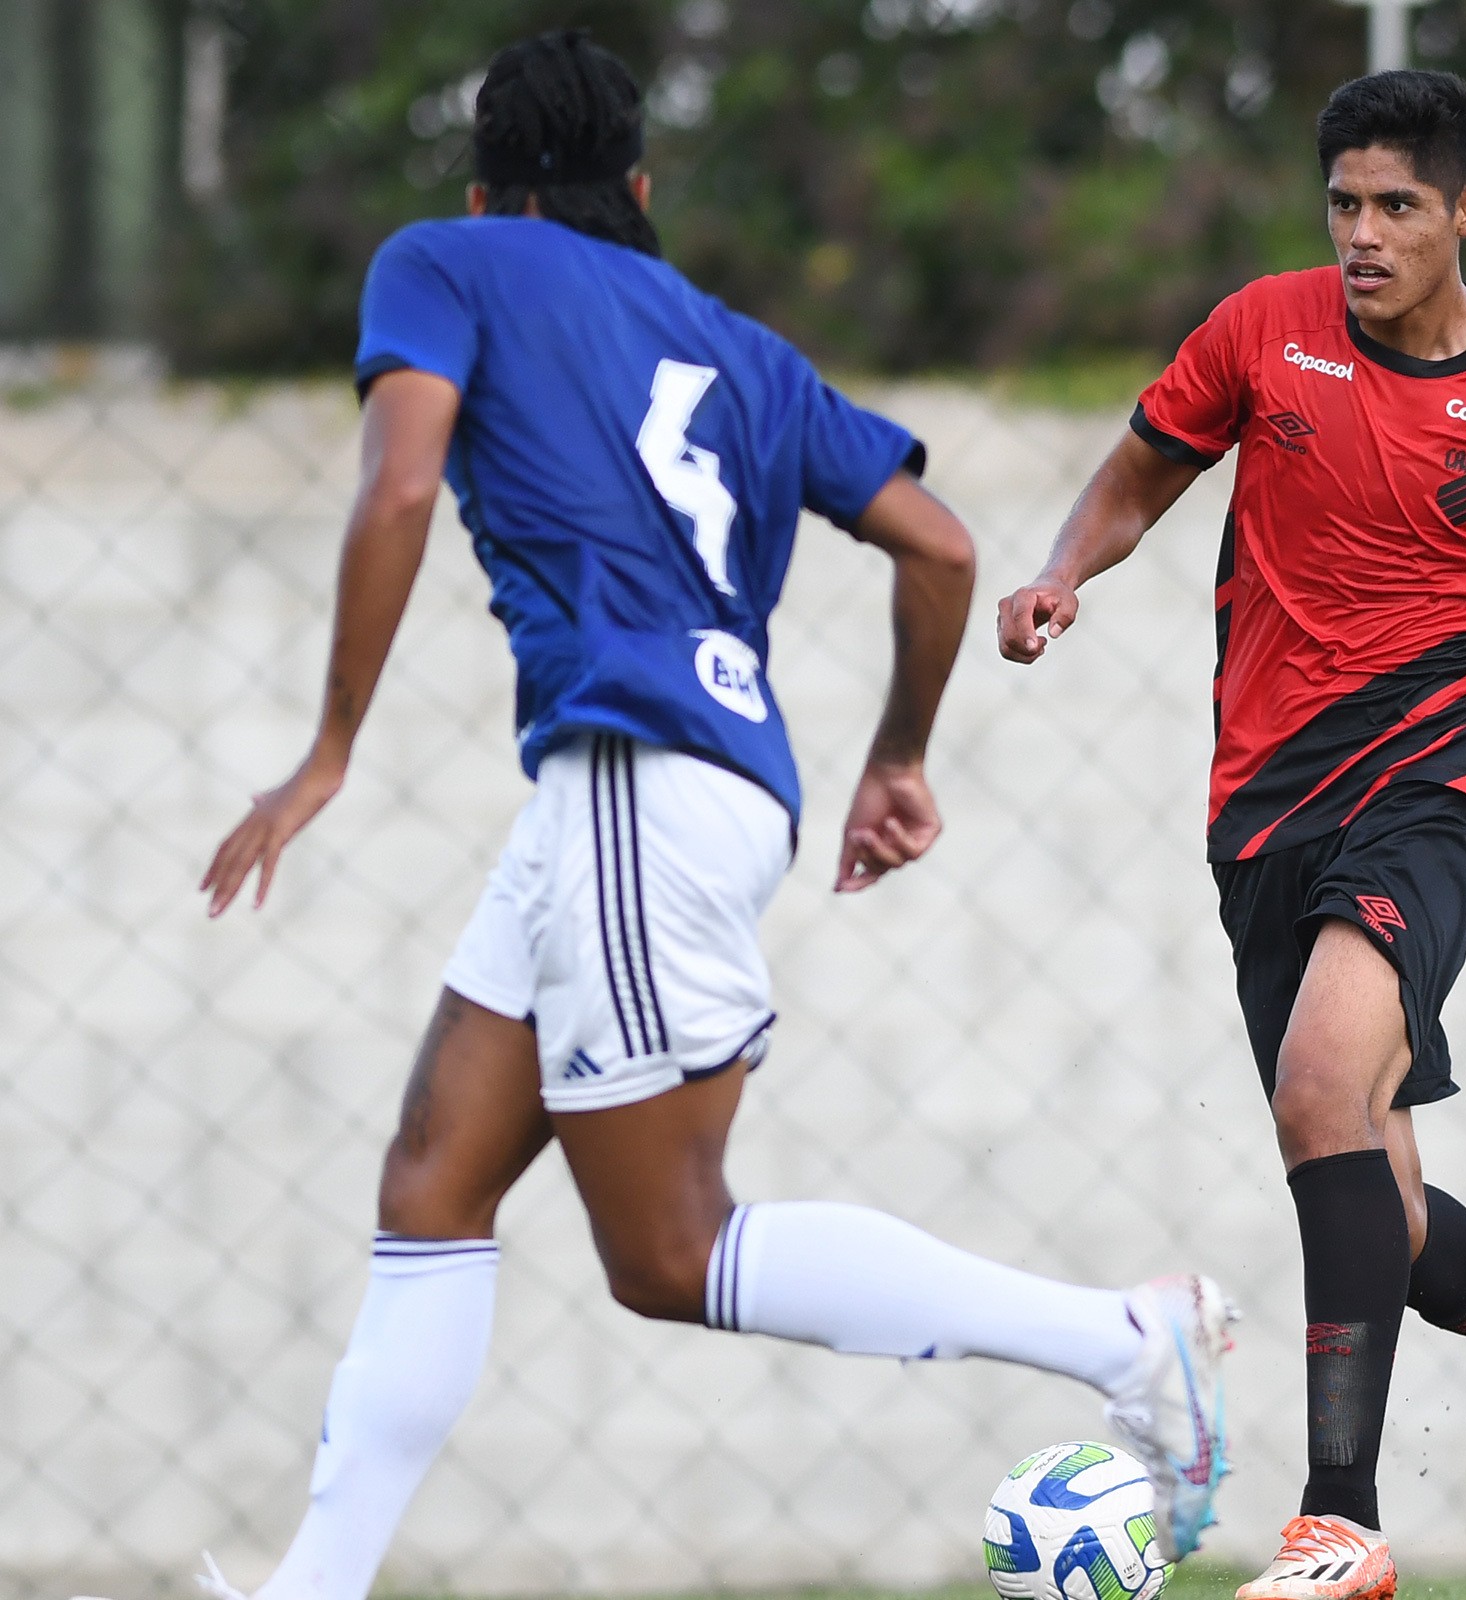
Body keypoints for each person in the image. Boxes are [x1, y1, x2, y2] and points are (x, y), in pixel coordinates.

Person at [193, 32, 1231, 1600]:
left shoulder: (447, 261)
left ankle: (1123, 1340)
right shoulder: (736, 347)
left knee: (671, 1254)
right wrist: (901, 756)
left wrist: (330, 748)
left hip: (635, 778)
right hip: (676, 788)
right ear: (642, 190)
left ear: (488, 194)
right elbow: (943, 549)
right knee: (433, 1180)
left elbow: (399, 488)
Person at [997, 69, 1466, 1600]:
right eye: (1344, 205)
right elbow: (1138, 476)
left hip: (1438, 792)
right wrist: (1068, 571)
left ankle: (1339, 1519)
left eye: (1399, 206)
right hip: (1264, 806)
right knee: (1373, 1207)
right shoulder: (1258, 333)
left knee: (1322, 1082)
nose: (1365, 235)